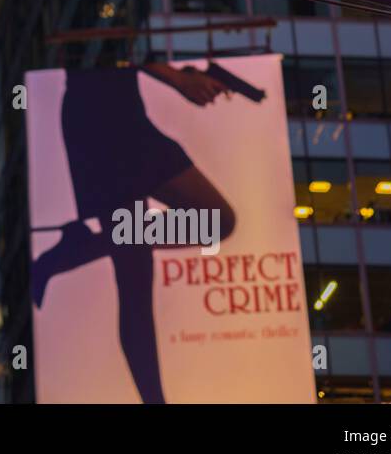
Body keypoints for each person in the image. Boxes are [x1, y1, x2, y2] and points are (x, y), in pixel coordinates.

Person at [30, 61, 264, 403]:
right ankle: (78, 249)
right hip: (102, 115)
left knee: (145, 264)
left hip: (111, 113)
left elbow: (126, 40)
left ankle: (79, 248)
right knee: (137, 275)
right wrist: (178, 79)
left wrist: (182, 75)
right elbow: (119, 41)